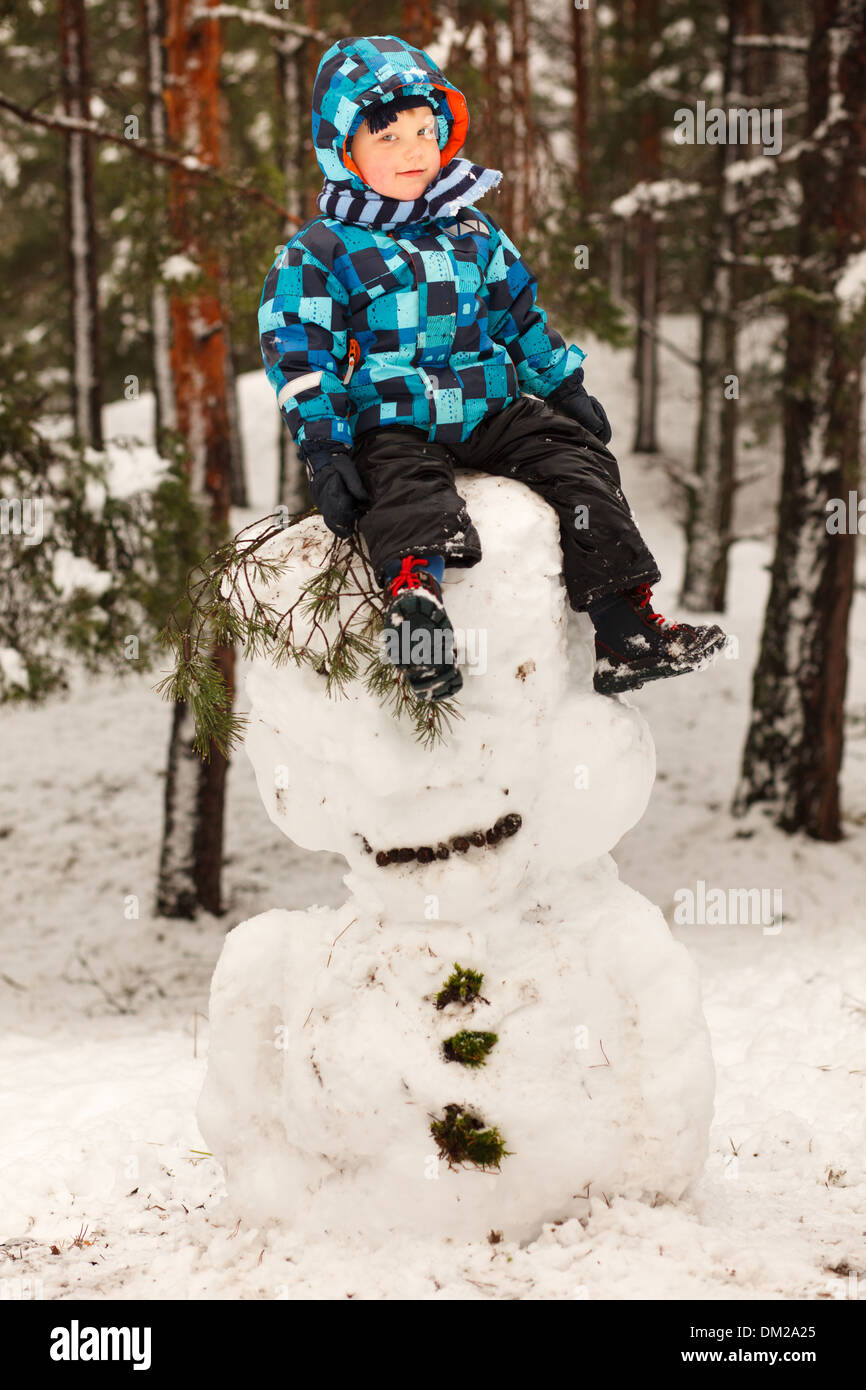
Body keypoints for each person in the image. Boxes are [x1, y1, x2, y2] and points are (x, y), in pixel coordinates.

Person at [259, 33, 727, 701]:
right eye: (388, 138)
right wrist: (325, 446)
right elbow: (301, 357)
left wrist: (560, 383)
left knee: (577, 459)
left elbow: (519, 316)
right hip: (391, 414)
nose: (414, 149)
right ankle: (416, 624)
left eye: (426, 130)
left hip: (487, 405)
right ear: (343, 150)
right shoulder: (321, 250)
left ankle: (626, 630)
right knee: (402, 489)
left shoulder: (471, 231)